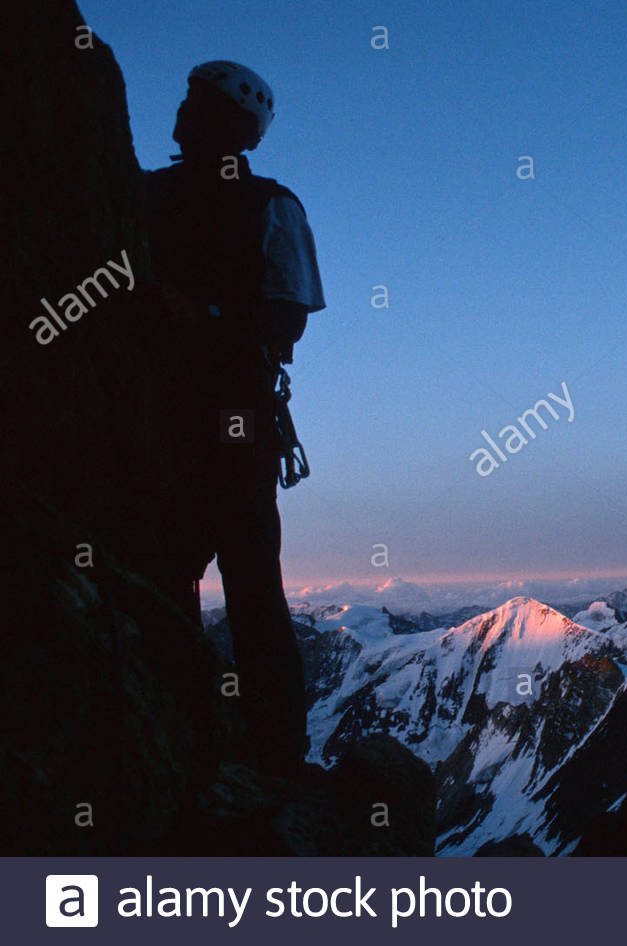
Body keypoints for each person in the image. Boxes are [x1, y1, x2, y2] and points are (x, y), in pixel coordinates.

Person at [141, 61, 325, 774]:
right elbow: (288, 314)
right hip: (213, 406)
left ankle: (264, 746)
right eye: (188, 101)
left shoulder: (263, 204)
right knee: (231, 572)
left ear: (233, 126)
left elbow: (286, 316)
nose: (184, 114)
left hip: (213, 406)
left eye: (199, 104)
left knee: (233, 572)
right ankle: (255, 742)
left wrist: (202, 316)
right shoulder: (243, 202)